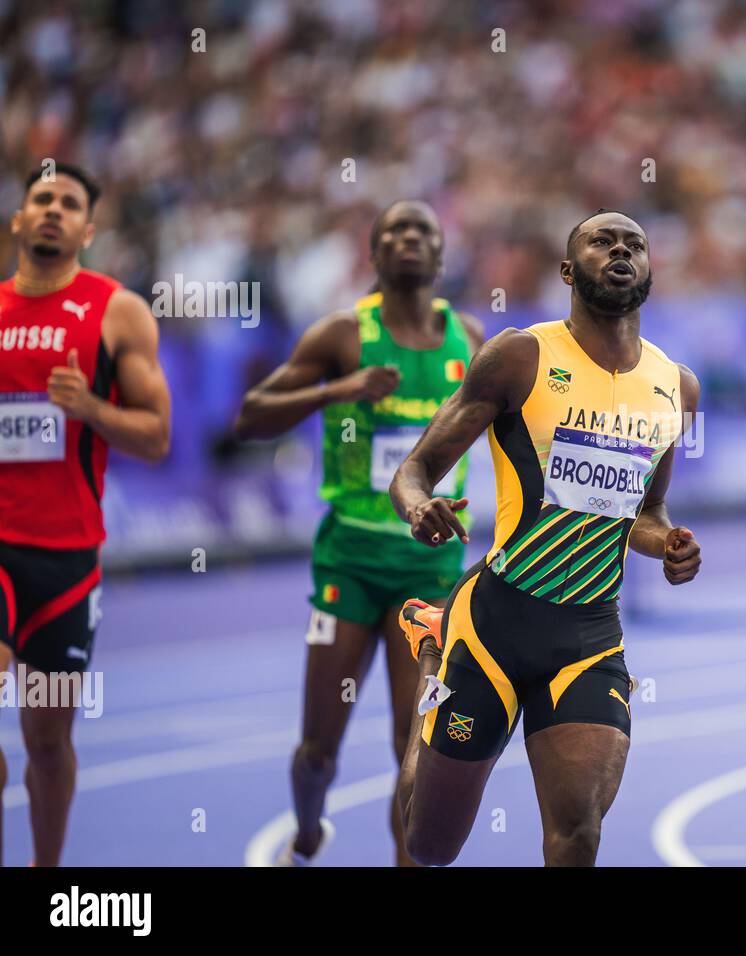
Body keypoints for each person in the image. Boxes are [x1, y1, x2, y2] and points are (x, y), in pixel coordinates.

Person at [389, 209, 701, 866]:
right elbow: (414, 471)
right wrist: (419, 508)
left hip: (589, 637)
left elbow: (648, 512)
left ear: (647, 271)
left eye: (634, 244)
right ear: (567, 270)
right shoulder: (518, 357)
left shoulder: (676, 386)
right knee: (430, 844)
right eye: (601, 241)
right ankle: (430, 655)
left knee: (577, 832)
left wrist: (669, 543)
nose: (620, 249)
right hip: (492, 625)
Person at [234, 200, 482, 866]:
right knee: (319, 747)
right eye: (392, 232)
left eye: (422, 231)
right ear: (372, 256)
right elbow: (250, 416)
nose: (407, 239)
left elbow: (523, 444)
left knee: (416, 743)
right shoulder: (343, 335)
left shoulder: (474, 343)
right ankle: (309, 833)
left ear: (440, 256)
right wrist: (335, 391)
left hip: (430, 569)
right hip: (348, 561)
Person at [0, 163, 171, 866]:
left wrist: (91, 409)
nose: (53, 210)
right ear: (18, 219)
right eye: (41, 199)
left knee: (46, 742)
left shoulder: (115, 309)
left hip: (66, 566)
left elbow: (157, 436)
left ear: (88, 230)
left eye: (69, 204)